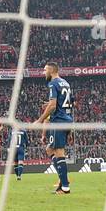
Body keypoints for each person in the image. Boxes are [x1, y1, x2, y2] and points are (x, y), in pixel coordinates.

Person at [35, 62, 73, 195]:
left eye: (45, 70)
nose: (43, 73)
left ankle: (65, 187)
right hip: (67, 119)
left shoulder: (52, 83)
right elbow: (70, 102)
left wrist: (39, 120)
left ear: (51, 71)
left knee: (58, 151)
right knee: (49, 149)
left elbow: (52, 106)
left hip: (59, 121)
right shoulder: (65, 83)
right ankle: (63, 180)